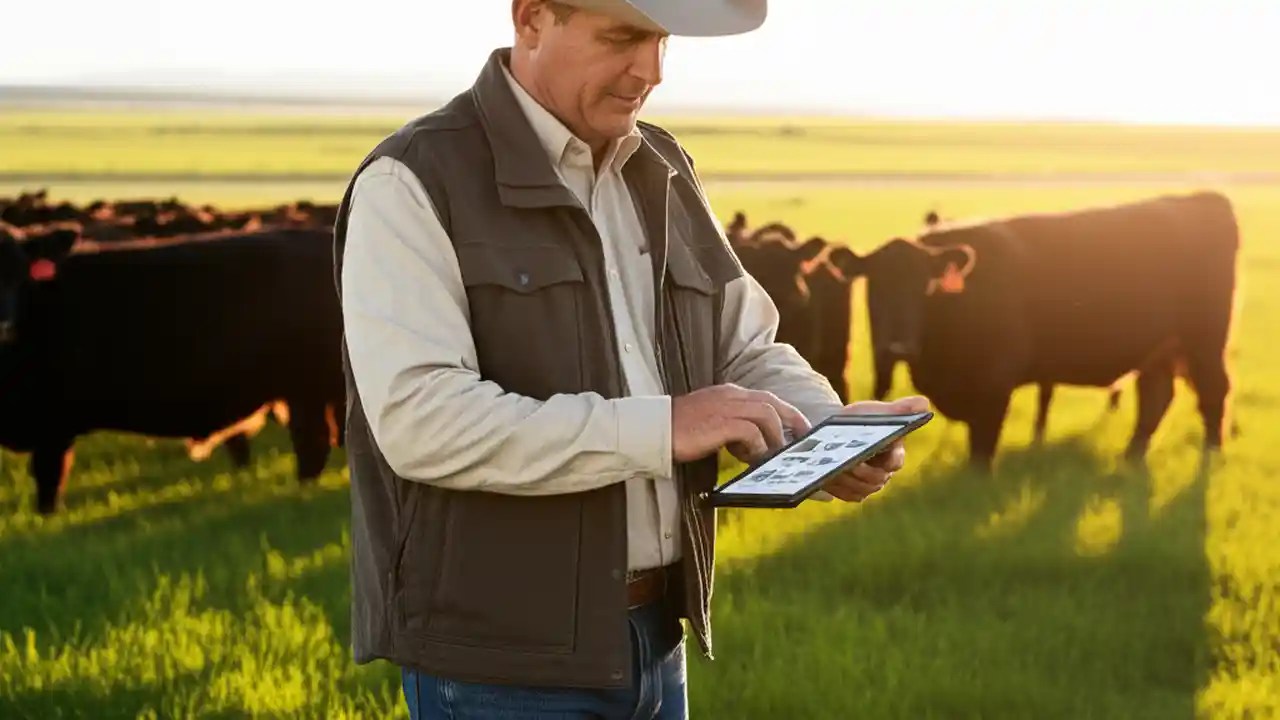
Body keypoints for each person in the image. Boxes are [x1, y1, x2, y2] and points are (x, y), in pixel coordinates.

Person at [332, 1, 930, 717]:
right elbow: (421, 422)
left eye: (661, 41)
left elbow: (741, 346)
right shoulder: (413, 180)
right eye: (621, 38)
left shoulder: (664, 166)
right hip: (497, 666)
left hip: (656, 642)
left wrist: (828, 437)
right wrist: (663, 427)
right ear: (532, 19)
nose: (650, 71)